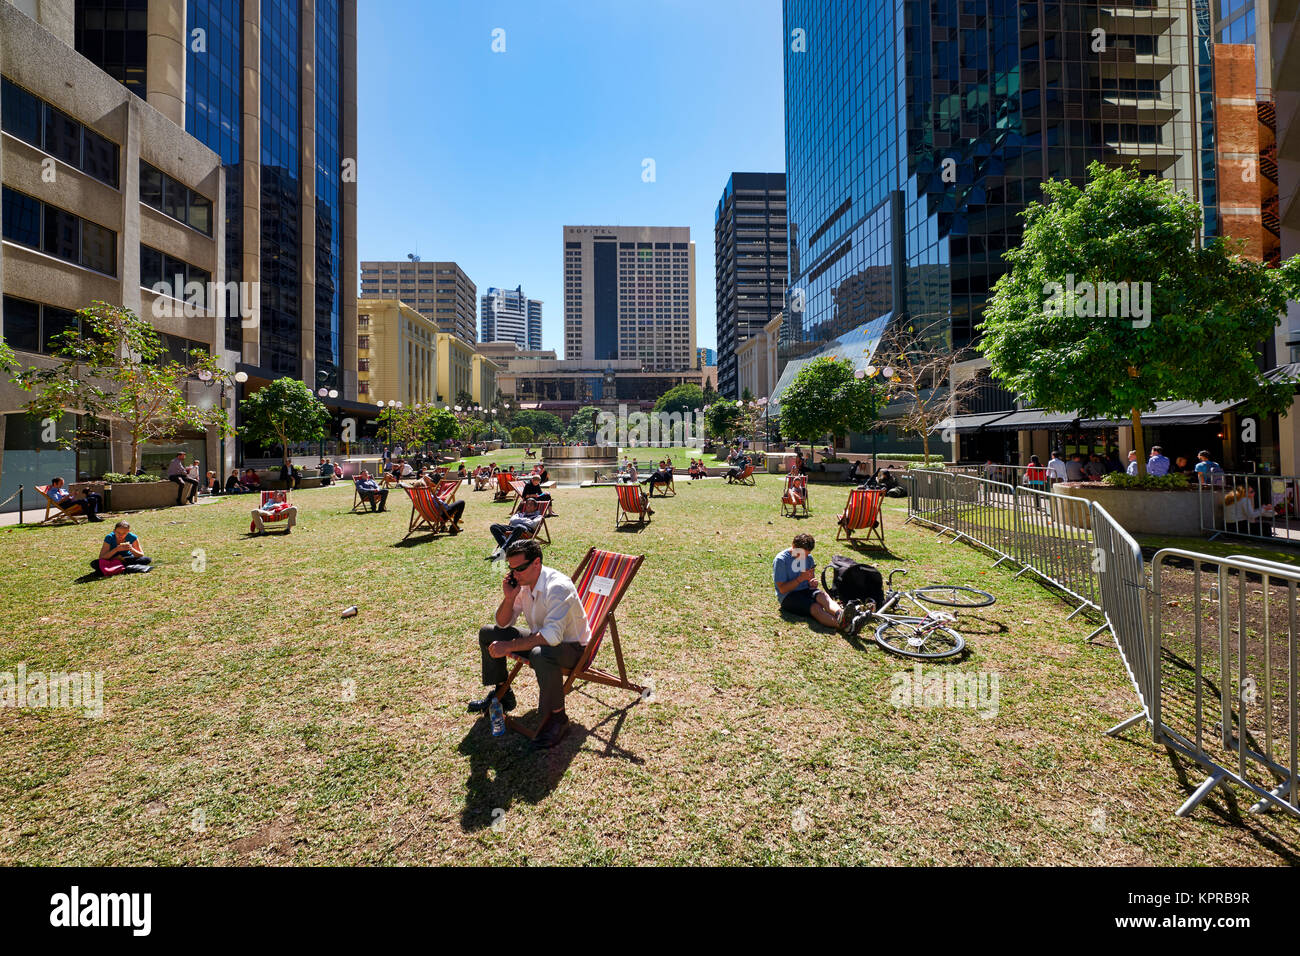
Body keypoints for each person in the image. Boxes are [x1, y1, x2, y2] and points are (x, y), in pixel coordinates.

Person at [470, 539, 591, 749]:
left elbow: (552, 637)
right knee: (489, 633)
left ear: (537, 563)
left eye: (520, 568)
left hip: (573, 649)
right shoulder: (524, 583)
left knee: (539, 653)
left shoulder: (558, 587)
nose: (515, 574)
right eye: (511, 569)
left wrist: (509, 646)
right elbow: (502, 622)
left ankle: (558, 718)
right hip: (543, 641)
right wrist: (509, 598)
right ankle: (503, 693)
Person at [773, 533, 869, 634]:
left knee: (822, 596)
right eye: (800, 553)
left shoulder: (808, 558)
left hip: (806, 590)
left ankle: (842, 615)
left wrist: (812, 583)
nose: (803, 557)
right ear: (793, 546)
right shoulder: (781, 560)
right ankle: (845, 626)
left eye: (806, 554)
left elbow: (810, 579)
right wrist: (799, 580)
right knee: (815, 607)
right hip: (788, 596)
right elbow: (782, 589)